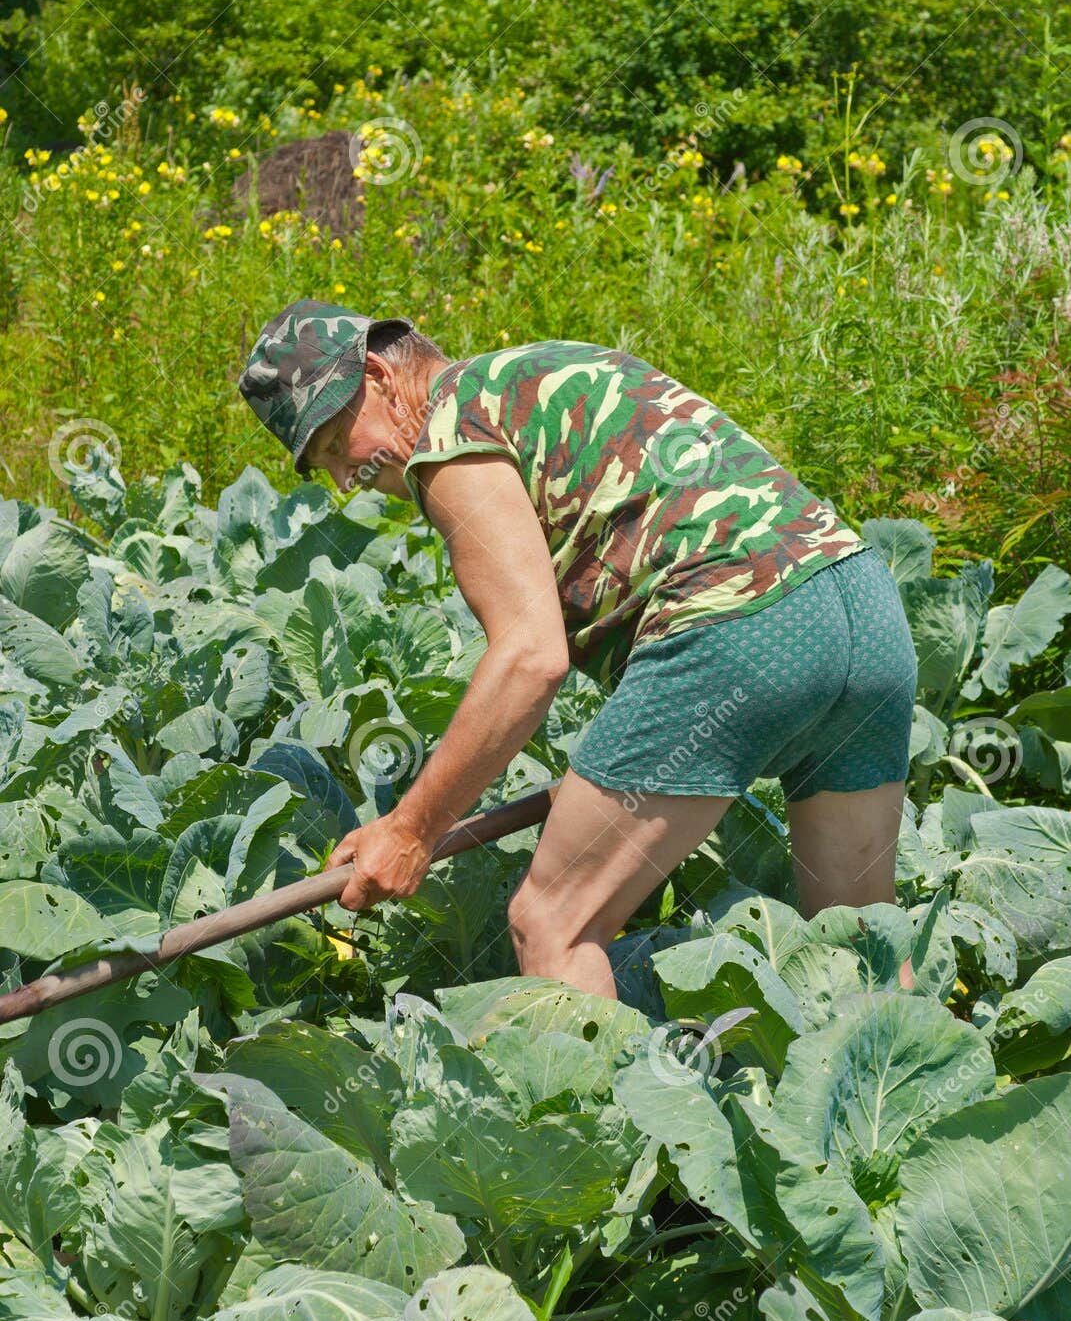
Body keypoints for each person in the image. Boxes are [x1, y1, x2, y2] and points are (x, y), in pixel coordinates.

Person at [239, 299, 919, 999]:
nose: (341, 479)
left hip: (738, 628)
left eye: (330, 445)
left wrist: (411, 829)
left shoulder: (450, 429)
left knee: (551, 921)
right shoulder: (536, 367)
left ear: (379, 376)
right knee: (857, 936)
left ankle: (602, 1111)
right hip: (860, 608)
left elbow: (530, 658)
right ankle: (914, 1098)